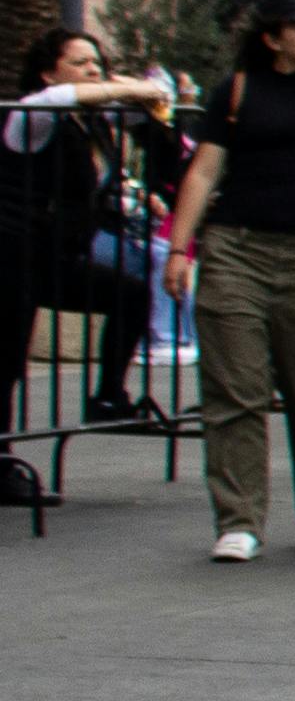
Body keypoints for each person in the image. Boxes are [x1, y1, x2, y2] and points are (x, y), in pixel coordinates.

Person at [163, 0, 295, 559]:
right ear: (273, 37)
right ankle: (239, 519)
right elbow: (204, 172)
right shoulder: (237, 90)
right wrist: (180, 250)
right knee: (235, 391)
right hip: (236, 249)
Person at [6, 29, 177, 430]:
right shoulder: (34, 113)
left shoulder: (93, 123)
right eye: (79, 63)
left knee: (131, 293)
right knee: (8, 355)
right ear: (49, 73)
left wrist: (142, 95)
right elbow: (60, 97)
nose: (92, 70)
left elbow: (152, 110)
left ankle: (109, 398)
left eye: (96, 63)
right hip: (14, 248)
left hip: (55, 253)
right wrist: (136, 86)